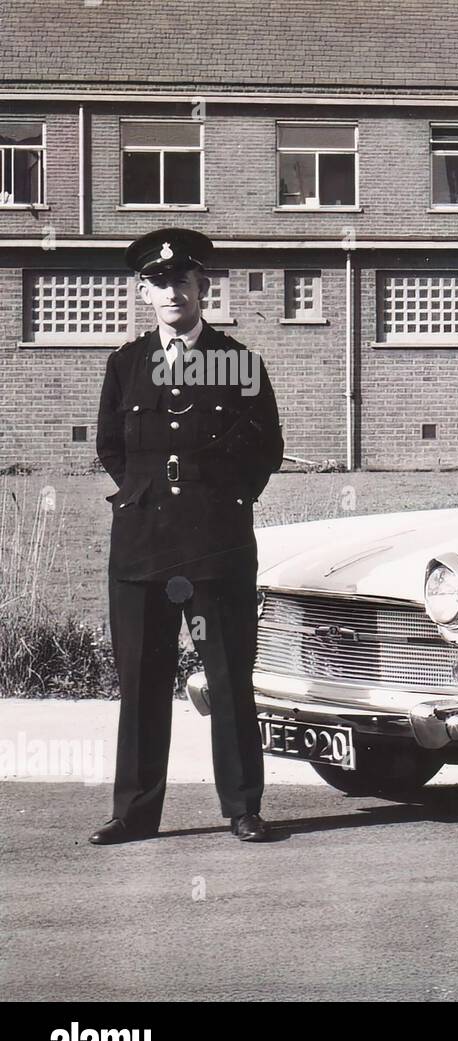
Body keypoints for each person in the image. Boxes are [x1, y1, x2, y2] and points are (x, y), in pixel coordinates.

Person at [91, 228, 283, 844]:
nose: (171, 291)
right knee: (141, 682)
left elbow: (265, 450)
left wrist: (222, 505)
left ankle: (243, 807)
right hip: (142, 548)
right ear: (144, 292)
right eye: (157, 282)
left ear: (202, 287)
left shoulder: (241, 364)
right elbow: (112, 448)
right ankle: (135, 813)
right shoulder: (125, 365)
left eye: (182, 280)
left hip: (215, 546)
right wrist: (145, 498)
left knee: (229, 678)